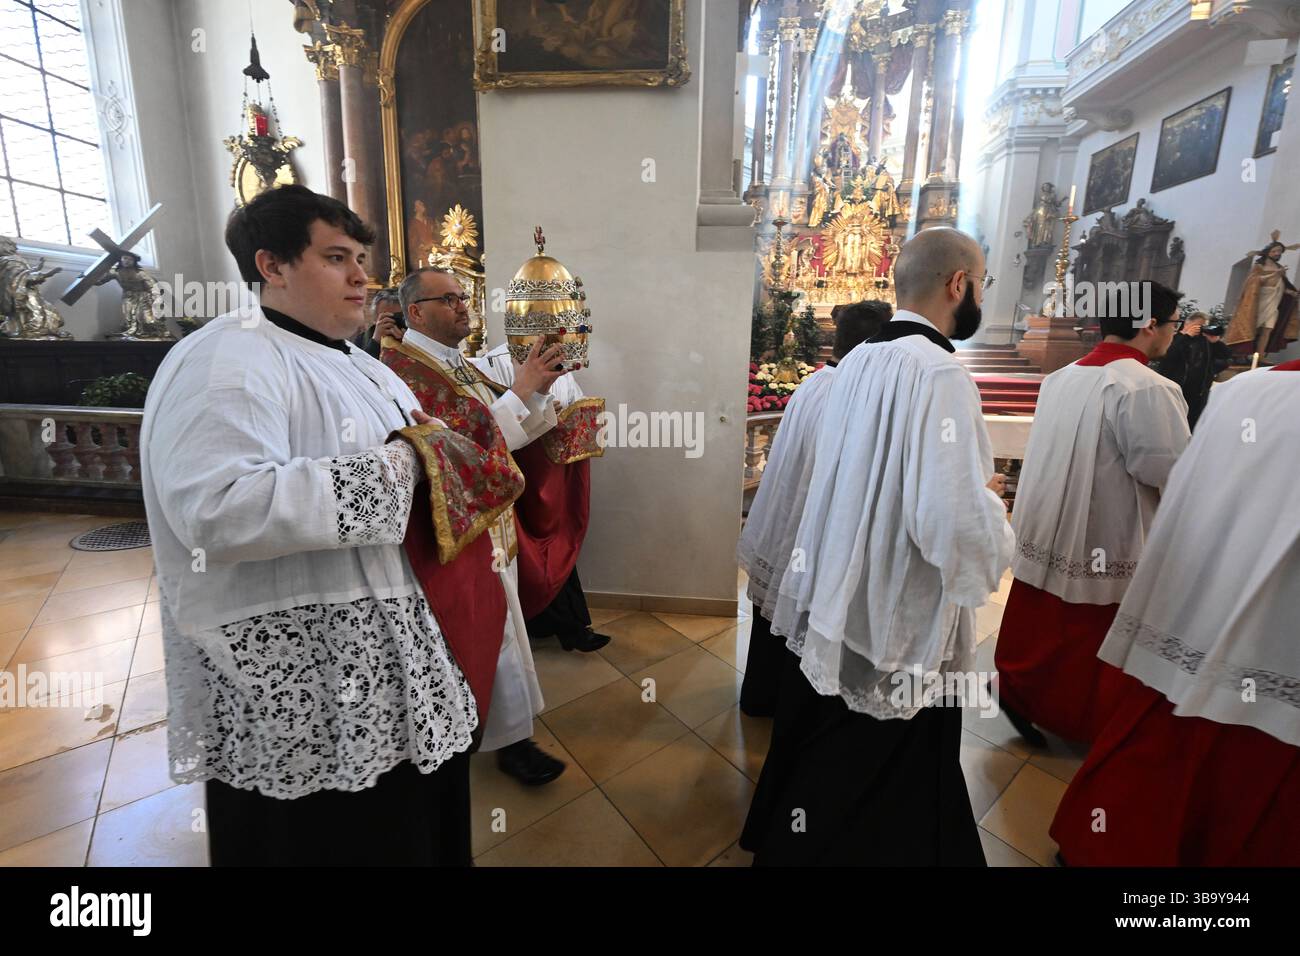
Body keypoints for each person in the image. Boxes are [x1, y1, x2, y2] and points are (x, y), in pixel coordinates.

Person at [139, 184, 512, 865]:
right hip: (303, 690)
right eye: (336, 257)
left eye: (362, 258)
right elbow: (219, 510)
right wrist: (402, 465)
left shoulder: (363, 366)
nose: (361, 276)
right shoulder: (227, 360)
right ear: (271, 266)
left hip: (394, 660)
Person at [740, 228, 1014, 865]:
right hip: (894, 608)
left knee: (832, 753)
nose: (980, 293)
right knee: (881, 774)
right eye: (983, 282)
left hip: (840, 595)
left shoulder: (857, 362)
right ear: (958, 284)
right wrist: (990, 507)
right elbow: (947, 521)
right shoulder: (941, 373)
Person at [1050, 360, 1300, 865]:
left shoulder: (1239, 392)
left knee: (1159, 747)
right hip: (1274, 631)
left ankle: (1098, 844)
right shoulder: (1147, 387)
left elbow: (1184, 484)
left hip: (1199, 598)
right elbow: (1162, 466)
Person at [378, 267, 568, 787]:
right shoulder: (405, 370)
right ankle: (504, 740)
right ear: (416, 311)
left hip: (486, 516)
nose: (465, 306)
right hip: (453, 525)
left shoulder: (453, 364)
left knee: (503, 625)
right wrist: (521, 390)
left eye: (464, 297)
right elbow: (463, 445)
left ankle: (507, 731)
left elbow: (498, 436)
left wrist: (537, 392)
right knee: (487, 630)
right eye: (450, 299)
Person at [994, 281, 1190, 747]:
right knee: (1089, 635)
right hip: (1107, 530)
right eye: (1173, 325)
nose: (1173, 335)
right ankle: (1085, 722)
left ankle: (1018, 692)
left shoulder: (1062, 377)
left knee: (1042, 621)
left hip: (1047, 528)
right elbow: (1167, 471)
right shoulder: (1147, 388)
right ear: (1149, 325)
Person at [736, 300, 893, 717]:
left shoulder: (816, 381)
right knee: (795, 626)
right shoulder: (851, 396)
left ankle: (759, 697)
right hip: (807, 533)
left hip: (784, 522)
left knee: (770, 623)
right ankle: (786, 708)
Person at [477, 339, 611, 653]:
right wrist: (538, 410)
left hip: (555, 472)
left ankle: (566, 625)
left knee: (560, 544)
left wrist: (569, 416)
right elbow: (495, 421)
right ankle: (559, 626)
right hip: (523, 471)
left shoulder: (560, 360)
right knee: (530, 553)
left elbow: (576, 402)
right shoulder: (492, 363)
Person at [1153, 311, 1231, 429]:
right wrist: (1186, 336)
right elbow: (1167, 356)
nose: (1201, 329)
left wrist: (1215, 342)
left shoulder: (1206, 342)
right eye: (1199, 326)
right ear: (1187, 324)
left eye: (1203, 326)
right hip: (1176, 393)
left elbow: (1226, 356)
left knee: (1192, 429)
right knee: (1171, 428)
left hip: (1198, 396)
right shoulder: (1175, 338)